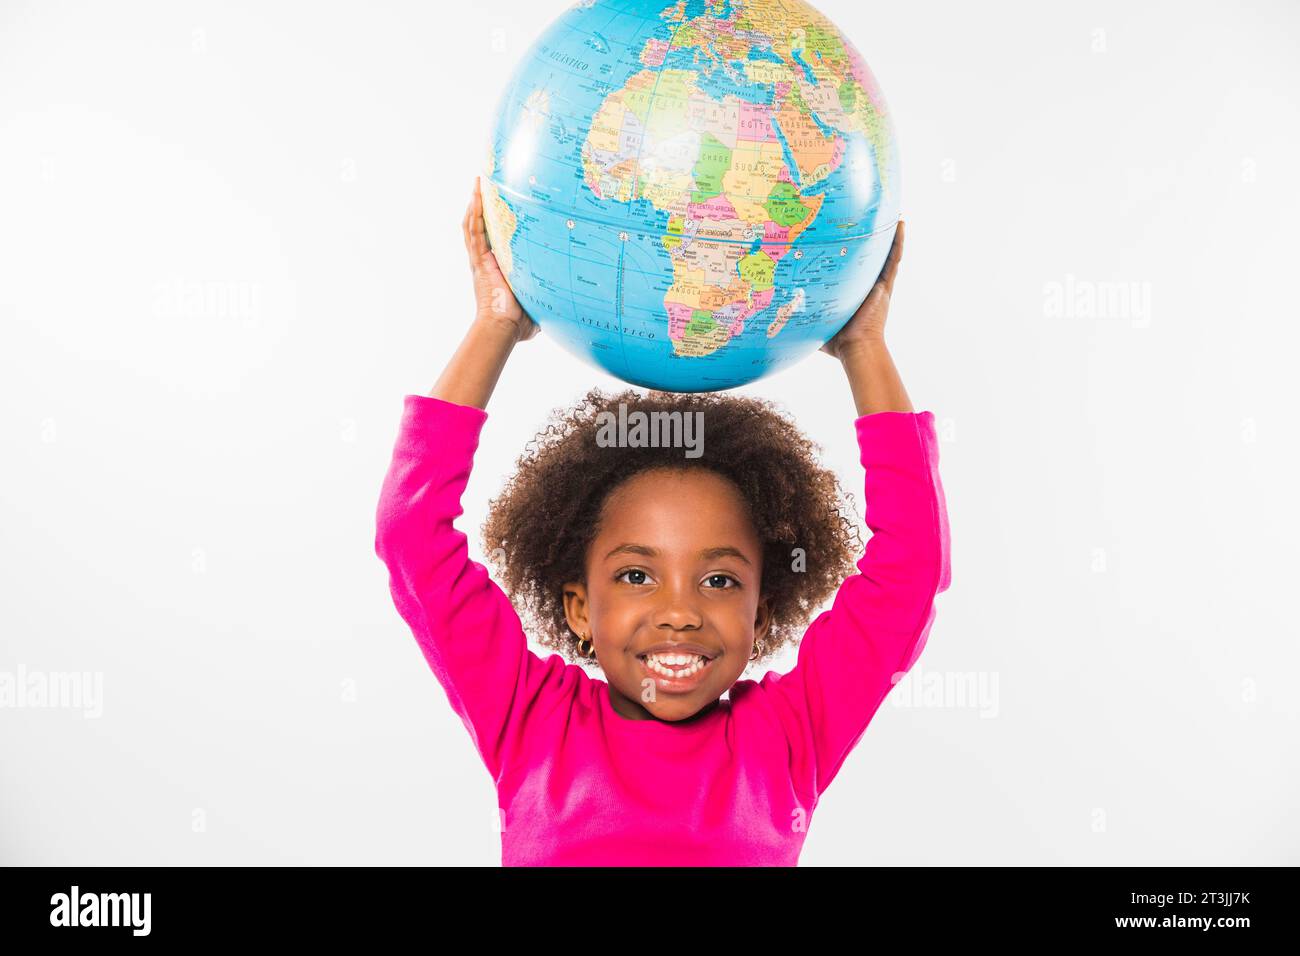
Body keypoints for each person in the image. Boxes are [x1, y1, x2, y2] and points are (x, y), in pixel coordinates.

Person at [373, 176, 951, 865]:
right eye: (638, 574)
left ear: (761, 615)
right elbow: (411, 536)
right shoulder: (530, 722)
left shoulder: (789, 738)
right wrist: (495, 326)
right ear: (580, 608)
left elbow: (909, 572)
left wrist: (864, 349)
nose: (679, 612)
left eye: (719, 581)